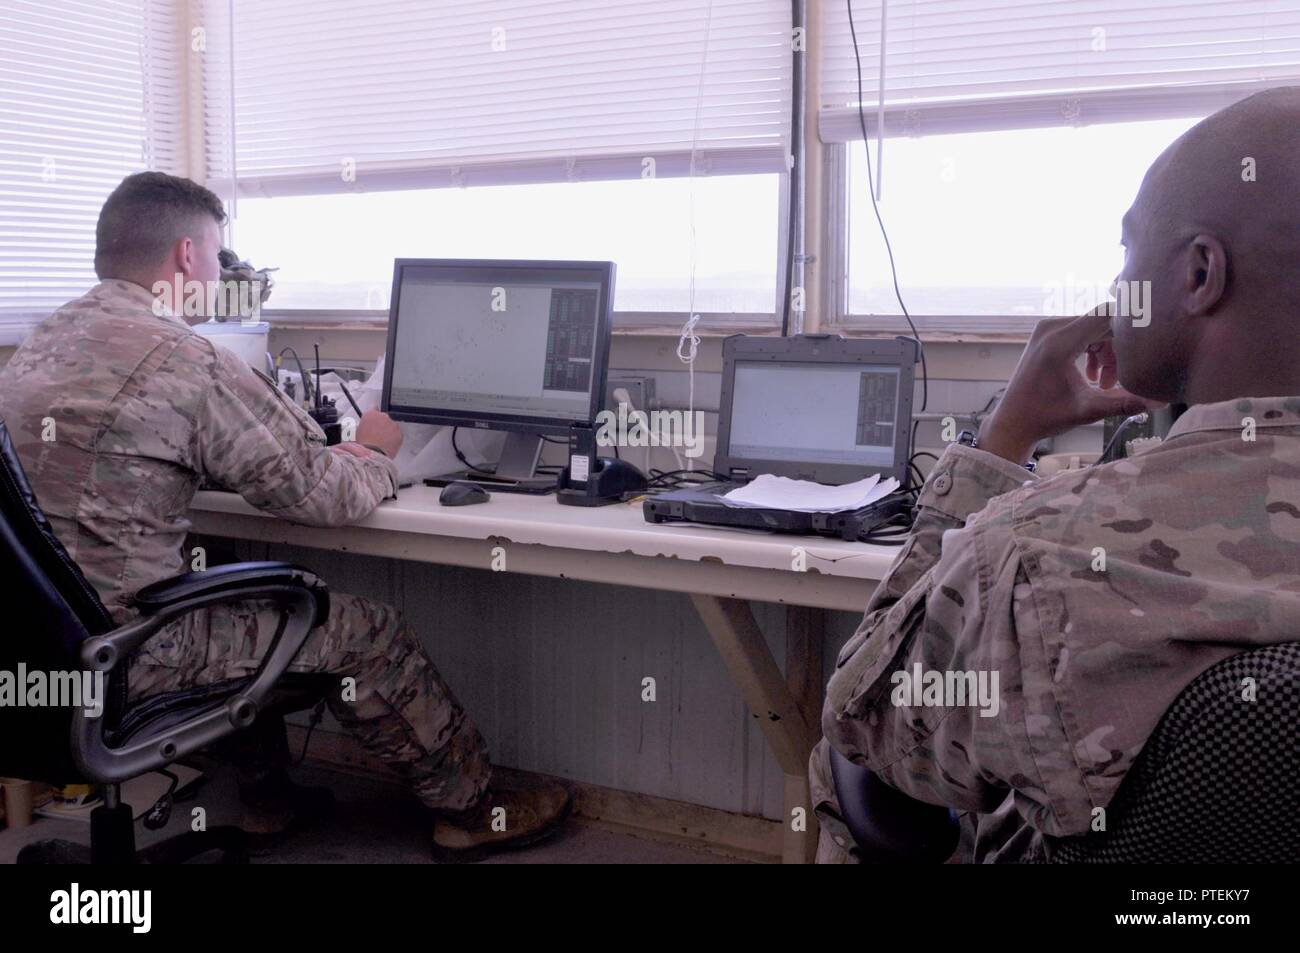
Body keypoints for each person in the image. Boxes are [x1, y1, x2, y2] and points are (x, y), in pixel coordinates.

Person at [0, 171, 570, 857]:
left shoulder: (37, 345)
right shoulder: (186, 360)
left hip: (32, 656)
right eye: (215, 253)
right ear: (186, 256)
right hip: (131, 657)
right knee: (363, 628)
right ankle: (472, 808)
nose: (218, 269)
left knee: (236, 589)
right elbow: (319, 493)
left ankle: (268, 801)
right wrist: (376, 452)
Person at [810, 86, 1300, 862]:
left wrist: (1008, 434)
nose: (1114, 288)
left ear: (1200, 274)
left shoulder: (1039, 562)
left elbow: (864, 711)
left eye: (1128, 251)